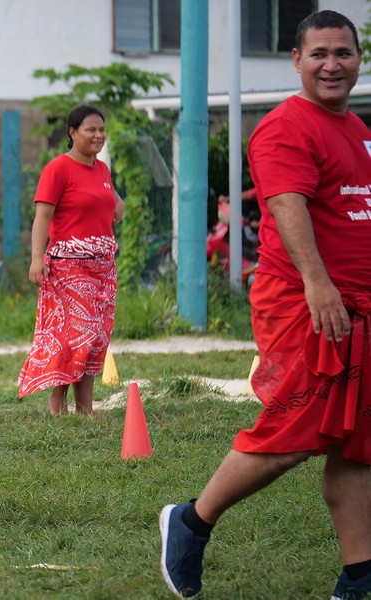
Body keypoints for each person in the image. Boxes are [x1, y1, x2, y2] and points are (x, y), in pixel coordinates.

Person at [160, 10, 371, 599]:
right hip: (307, 302)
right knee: (296, 431)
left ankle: (358, 574)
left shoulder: (357, 128)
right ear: (297, 60)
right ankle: (191, 521)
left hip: (358, 307)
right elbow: (285, 204)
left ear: (359, 59)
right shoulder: (285, 126)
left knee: (359, 441)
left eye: (344, 53)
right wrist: (318, 283)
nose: (332, 64)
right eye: (319, 53)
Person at [17, 105, 125, 416]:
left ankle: (84, 408)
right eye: (91, 129)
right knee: (79, 335)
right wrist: (36, 259)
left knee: (97, 338)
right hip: (69, 267)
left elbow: (114, 205)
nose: (98, 135)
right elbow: (42, 217)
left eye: (102, 130)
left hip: (103, 268)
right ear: (72, 132)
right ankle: (59, 402)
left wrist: (115, 206)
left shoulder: (102, 169)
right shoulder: (58, 169)